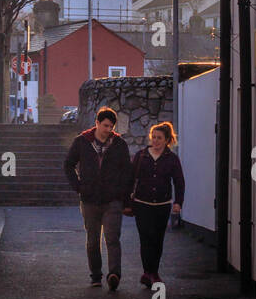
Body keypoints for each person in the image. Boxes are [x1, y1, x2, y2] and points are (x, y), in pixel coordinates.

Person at [64, 107, 133, 289]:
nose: (108, 130)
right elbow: (68, 165)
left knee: (112, 238)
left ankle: (114, 275)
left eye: (111, 126)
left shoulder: (119, 144)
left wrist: (124, 198)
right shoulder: (82, 142)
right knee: (93, 240)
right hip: (89, 199)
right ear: (96, 123)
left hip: (113, 200)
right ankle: (96, 276)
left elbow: (127, 173)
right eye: (105, 125)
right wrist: (79, 187)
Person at [125, 121, 185, 286]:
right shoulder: (141, 156)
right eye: (154, 137)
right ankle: (148, 272)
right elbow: (130, 180)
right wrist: (127, 202)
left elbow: (179, 182)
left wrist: (178, 202)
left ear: (167, 140)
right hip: (142, 204)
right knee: (146, 238)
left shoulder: (172, 159)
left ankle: (153, 272)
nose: (156, 141)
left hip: (162, 205)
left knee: (157, 239)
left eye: (160, 138)